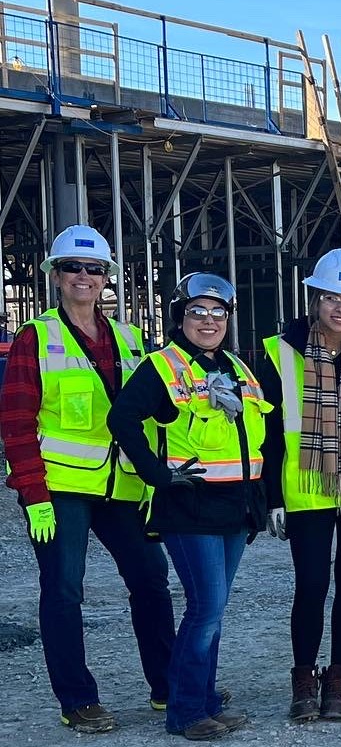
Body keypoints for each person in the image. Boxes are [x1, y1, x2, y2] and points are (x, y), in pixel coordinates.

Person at [0, 225, 174, 733]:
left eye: (94, 269)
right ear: (56, 276)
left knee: (150, 578)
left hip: (120, 485)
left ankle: (167, 686)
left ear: (106, 279)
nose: (84, 276)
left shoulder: (129, 338)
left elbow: (153, 412)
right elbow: (15, 422)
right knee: (64, 589)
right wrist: (33, 495)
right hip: (59, 489)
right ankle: (77, 698)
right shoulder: (38, 336)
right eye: (73, 267)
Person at [108, 273, 267, 741]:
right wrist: (158, 476)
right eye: (198, 311)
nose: (209, 321)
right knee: (206, 608)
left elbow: (252, 438)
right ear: (180, 316)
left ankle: (205, 700)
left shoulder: (238, 367)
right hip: (190, 507)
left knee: (213, 611)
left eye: (219, 313)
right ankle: (184, 711)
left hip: (235, 508)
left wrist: (258, 503)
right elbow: (121, 418)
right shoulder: (164, 365)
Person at [258, 248, 341, 722]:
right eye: (332, 297)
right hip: (306, 487)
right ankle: (302, 680)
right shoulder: (281, 350)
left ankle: (338, 680)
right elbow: (269, 430)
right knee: (311, 585)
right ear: (314, 298)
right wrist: (271, 496)